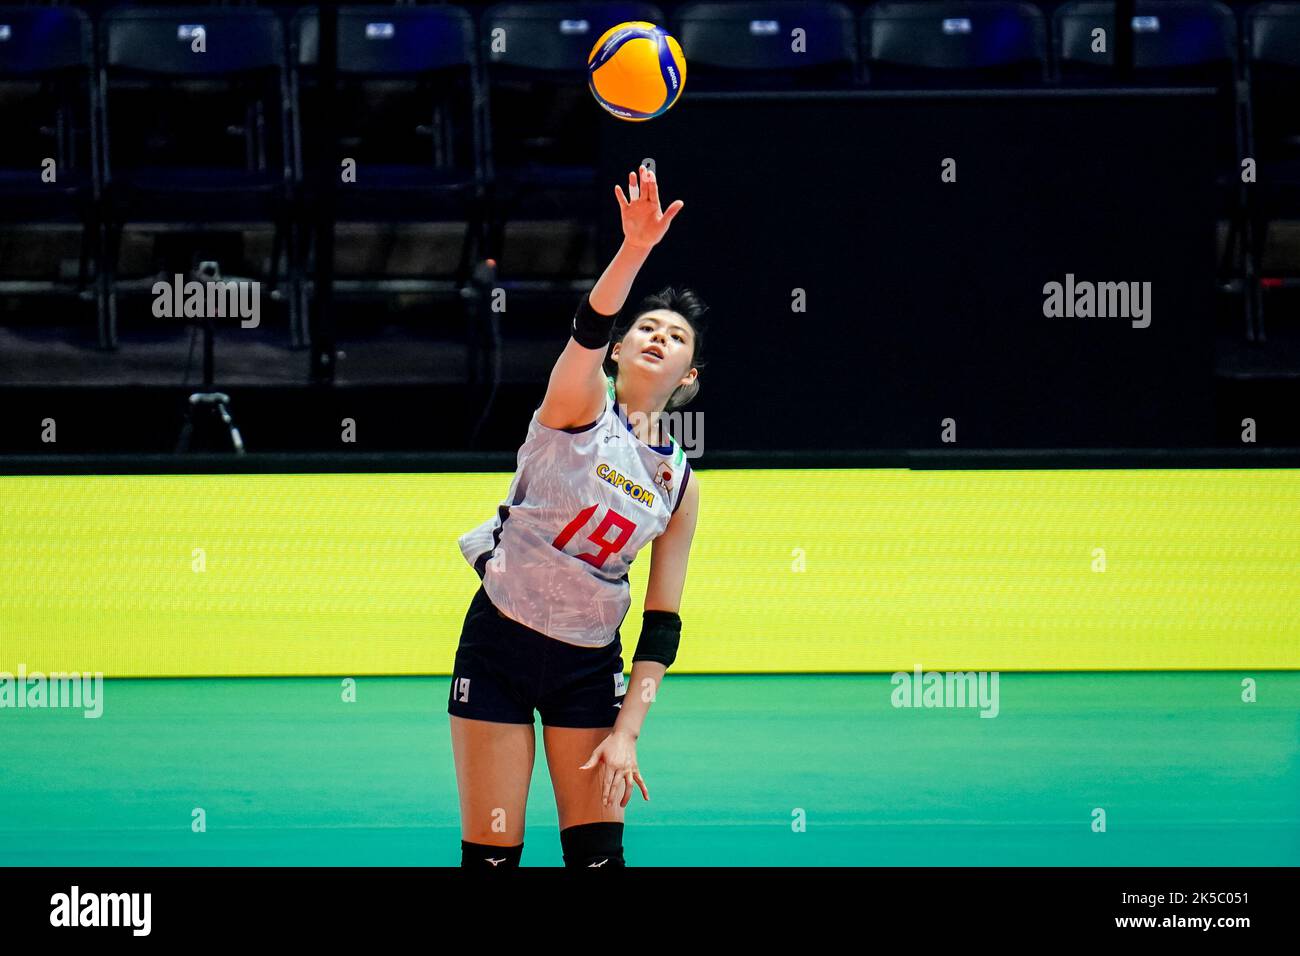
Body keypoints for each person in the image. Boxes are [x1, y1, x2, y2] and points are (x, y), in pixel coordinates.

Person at [449, 163, 705, 869]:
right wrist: (635, 250)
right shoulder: (577, 406)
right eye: (645, 327)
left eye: (675, 337)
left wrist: (628, 732)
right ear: (619, 351)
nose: (657, 335)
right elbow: (588, 327)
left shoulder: (678, 484)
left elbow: (663, 625)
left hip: (588, 668)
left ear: (687, 377)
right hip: (499, 643)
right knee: (491, 858)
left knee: (596, 860)